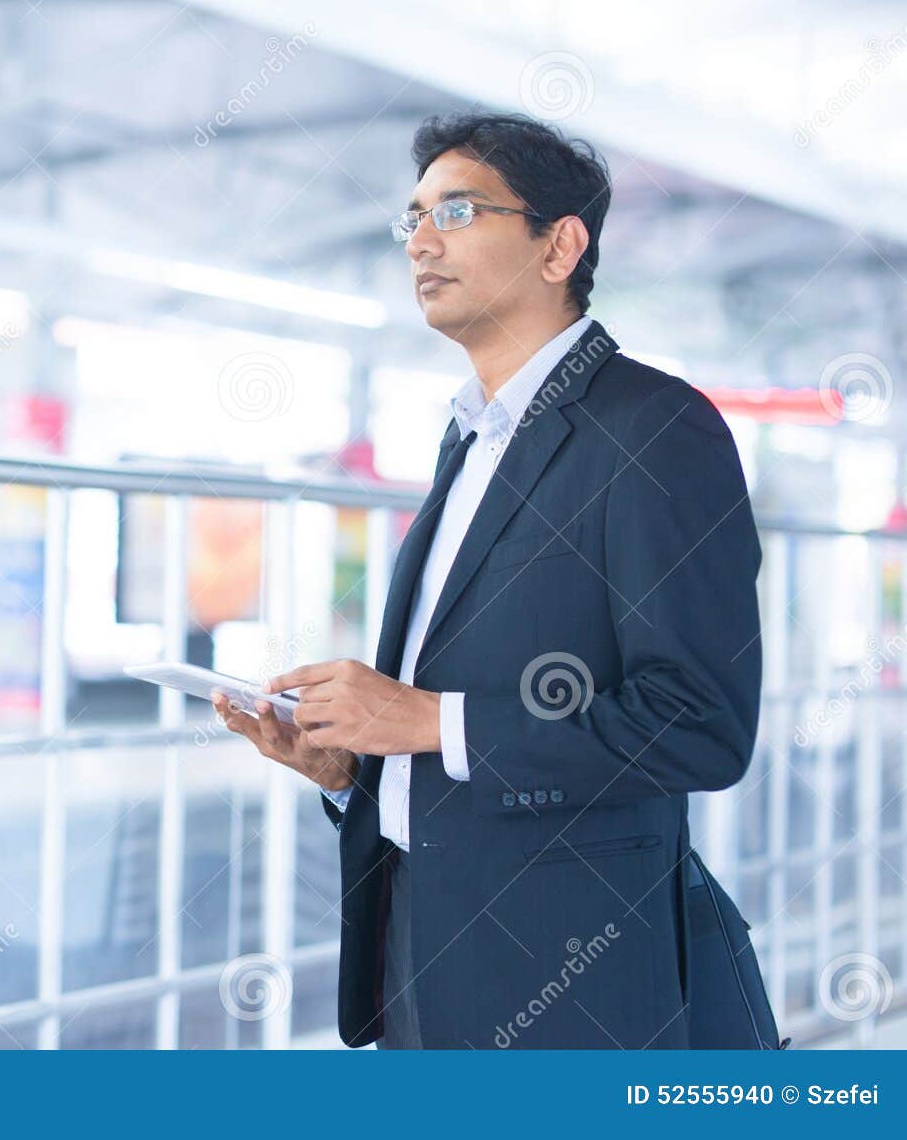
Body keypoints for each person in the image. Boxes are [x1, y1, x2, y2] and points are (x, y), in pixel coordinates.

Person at [213, 111, 762, 1049]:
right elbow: (455, 723)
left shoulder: (655, 427)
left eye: (458, 211)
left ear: (561, 246)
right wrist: (353, 768)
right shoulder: (469, 438)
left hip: (568, 974)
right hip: (415, 952)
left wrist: (427, 720)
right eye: (413, 219)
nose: (421, 241)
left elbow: (700, 724)